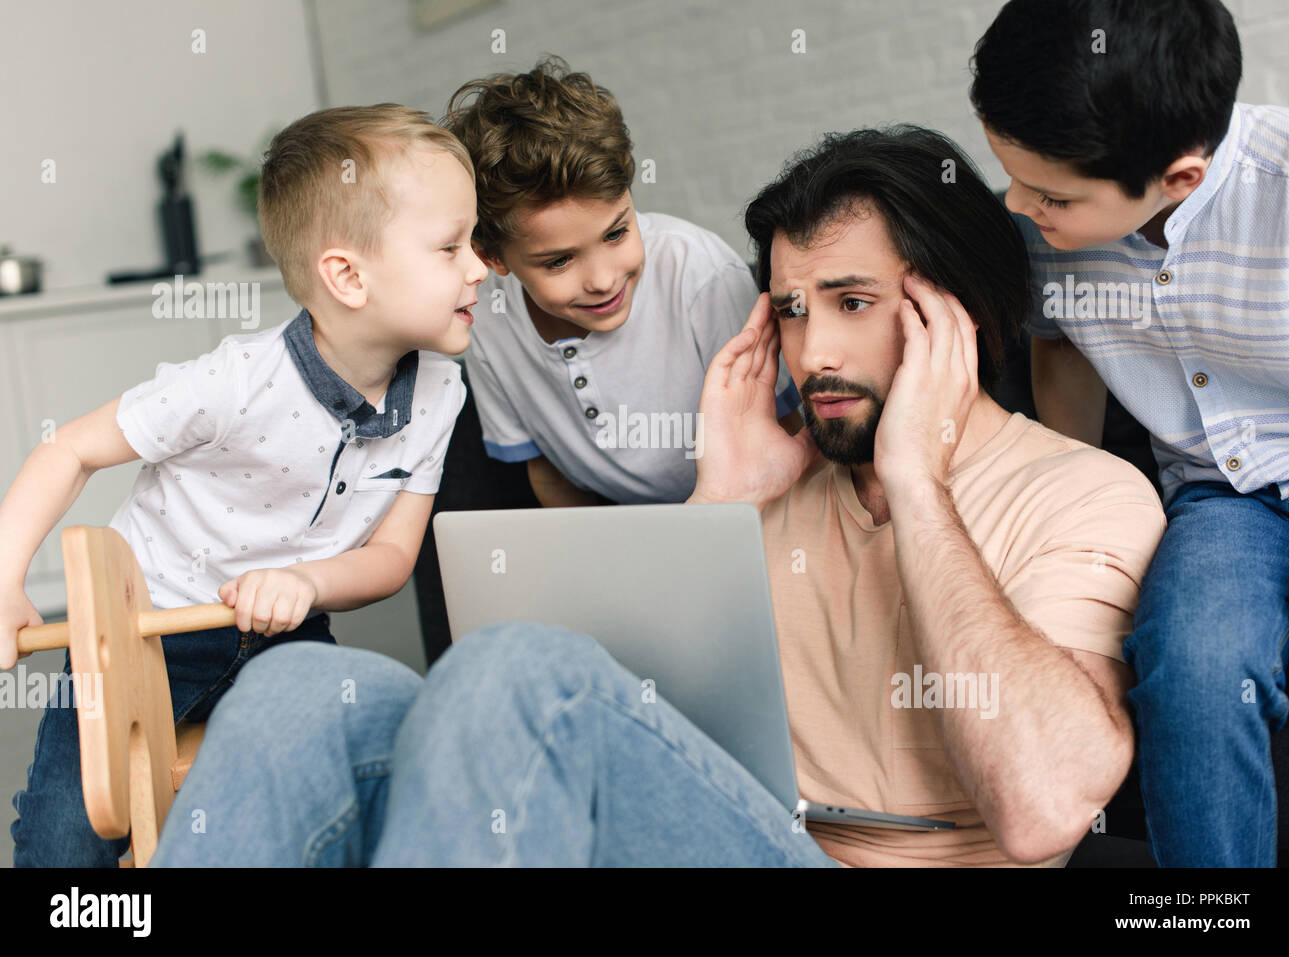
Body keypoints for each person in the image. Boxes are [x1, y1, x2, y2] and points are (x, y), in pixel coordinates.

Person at [150, 126, 1165, 867]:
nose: (812, 352)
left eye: (853, 305)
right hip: (734, 831)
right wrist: (719, 496)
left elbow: (1040, 815)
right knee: (303, 696)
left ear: (962, 316)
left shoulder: (1080, 492)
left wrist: (915, 482)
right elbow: (615, 719)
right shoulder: (774, 476)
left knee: (515, 665)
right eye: (791, 311)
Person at [0, 104, 484, 866]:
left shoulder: (442, 393)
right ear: (347, 275)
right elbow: (69, 450)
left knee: (330, 798)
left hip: (293, 638)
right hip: (145, 637)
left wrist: (305, 579)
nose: (479, 266)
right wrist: (4, 577)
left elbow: (392, 556)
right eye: (451, 246)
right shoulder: (231, 383)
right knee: (66, 840)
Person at [971, 0, 1289, 866]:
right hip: (1220, 498)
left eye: (1049, 195)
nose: (1018, 203)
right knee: (1194, 676)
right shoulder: (1047, 214)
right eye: (1013, 175)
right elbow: (1064, 359)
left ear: (1181, 176)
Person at [445, 56, 802, 506]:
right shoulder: (485, 318)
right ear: (491, 257)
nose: (603, 279)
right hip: (620, 532)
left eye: (616, 233)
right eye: (558, 261)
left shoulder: (699, 273)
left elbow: (786, 439)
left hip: (749, 515)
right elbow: (550, 477)